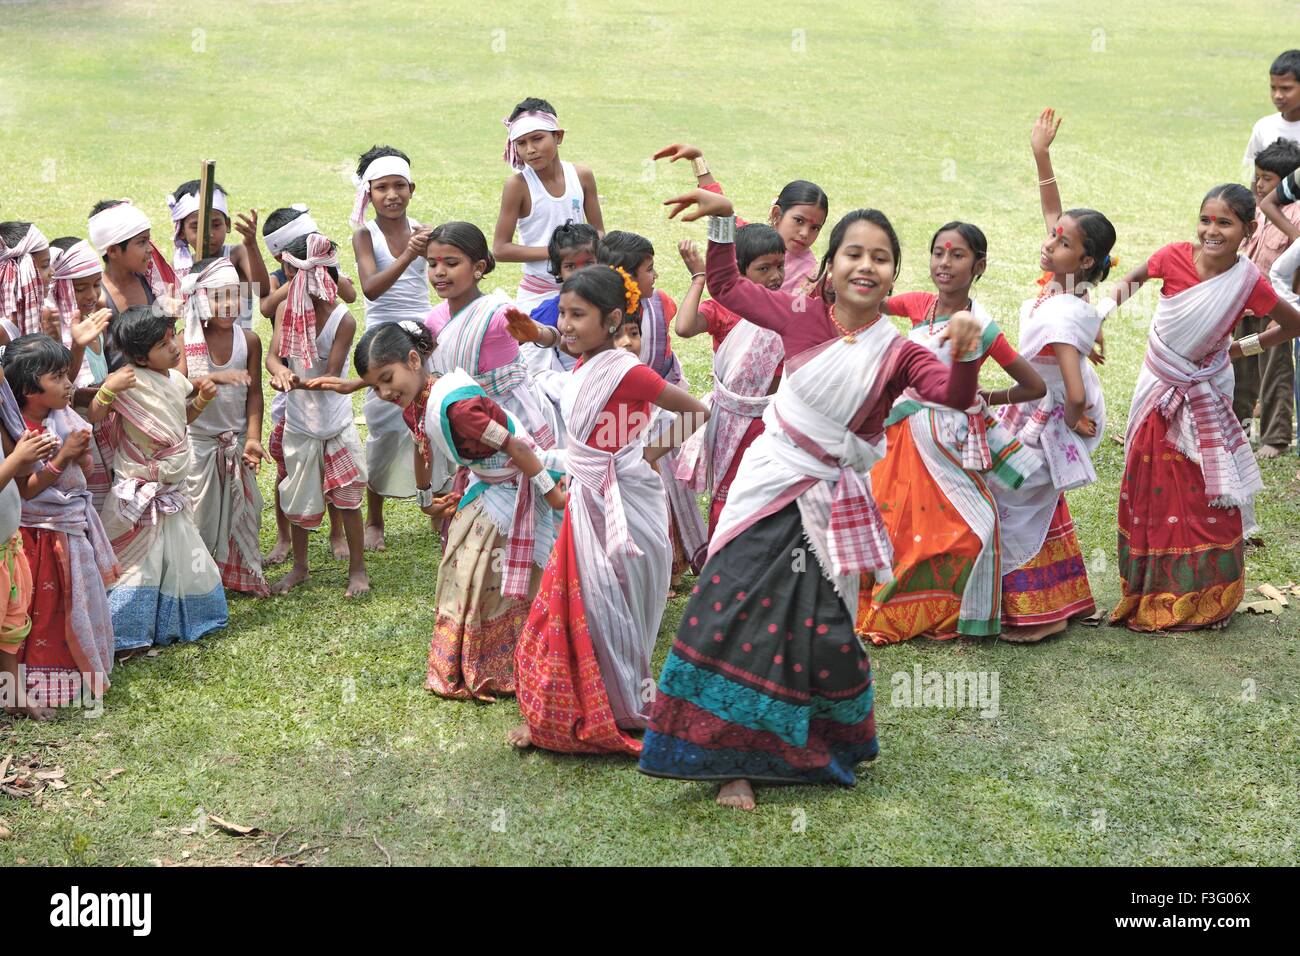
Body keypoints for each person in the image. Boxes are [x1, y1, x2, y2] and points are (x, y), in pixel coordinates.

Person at [637, 188, 981, 810]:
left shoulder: (899, 352)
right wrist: (721, 214)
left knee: (819, 629)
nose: (866, 266)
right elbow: (725, 285)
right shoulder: (799, 313)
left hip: (829, 501)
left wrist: (966, 354)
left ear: (892, 274)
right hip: (767, 485)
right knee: (726, 609)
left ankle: (818, 743)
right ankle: (730, 761)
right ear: (831, 265)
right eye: (854, 253)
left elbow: (953, 396)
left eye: (880, 257)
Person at [510, 265, 708, 754]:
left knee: (619, 599)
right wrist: (544, 331)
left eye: (579, 314)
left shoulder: (627, 370)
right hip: (587, 498)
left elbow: (696, 412)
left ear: (613, 317)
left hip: (627, 500)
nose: (569, 324)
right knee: (587, 601)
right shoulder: (586, 361)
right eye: (564, 314)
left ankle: (621, 705)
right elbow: (564, 338)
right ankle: (590, 699)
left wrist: (647, 454)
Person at [1106, 184, 1300, 631]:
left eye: (1225, 223)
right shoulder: (1172, 256)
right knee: (1150, 479)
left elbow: (1291, 323)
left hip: (1206, 392)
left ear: (1249, 230)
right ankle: (1149, 590)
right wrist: (1094, 321)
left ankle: (1207, 596)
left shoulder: (1248, 281)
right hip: (1158, 386)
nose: (1212, 231)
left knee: (1203, 487)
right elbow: (1127, 284)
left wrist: (1242, 348)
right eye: (1206, 220)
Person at [348, 321, 565, 700]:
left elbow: (516, 447)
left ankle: (516, 660)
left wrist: (551, 495)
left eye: (387, 378)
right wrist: (425, 499)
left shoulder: (458, 409)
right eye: (374, 387)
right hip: (488, 484)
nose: (383, 392)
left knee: (491, 574)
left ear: (413, 360)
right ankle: (487, 658)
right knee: (463, 570)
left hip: (518, 482)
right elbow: (421, 447)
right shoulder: (416, 404)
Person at [857, 222, 1045, 644]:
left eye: (957, 255)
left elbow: (1034, 386)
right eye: (938, 253)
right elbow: (872, 304)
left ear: (978, 265)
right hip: (902, 431)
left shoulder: (982, 326)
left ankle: (948, 607)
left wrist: (985, 397)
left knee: (974, 526)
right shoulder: (919, 305)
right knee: (893, 521)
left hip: (948, 437)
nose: (944, 263)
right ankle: (897, 598)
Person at [93, 307, 228, 651]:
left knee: (181, 558)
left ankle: (187, 619)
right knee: (139, 565)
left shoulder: (175, 379)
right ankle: (127, 630)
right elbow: (95, 415)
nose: (174, 347)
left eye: (172, 338)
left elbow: (183, 418)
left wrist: (203, 399)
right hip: (140, 491)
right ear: (140, 355)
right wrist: (109, 388)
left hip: (171, 490)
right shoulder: (127, 380)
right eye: (162, 344)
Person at [0, 341, 112, 718]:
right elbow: (27, 489)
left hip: (58, 529)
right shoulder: (18, 431)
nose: (69, 385)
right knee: (37, 614)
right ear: (30, 390)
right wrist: (62, 459)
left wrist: (80, 456)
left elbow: (88, 472)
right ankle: (31, 682)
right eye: (58, 377)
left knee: (55, 609)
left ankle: (63, 678)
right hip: (36, 533)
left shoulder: (59, 420)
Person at [265, 234, 369, 598]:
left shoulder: (344, 320)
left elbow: (332, 376)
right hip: (299, 420)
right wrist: (279, 371)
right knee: (298, 496)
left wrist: (294, 381)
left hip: (334, 421)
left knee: (348, 498)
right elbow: (273, 356)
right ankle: (301, 567)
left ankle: (358, 568)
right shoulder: (285, 310)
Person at [673, 227, 787, 536]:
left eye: (780, 265)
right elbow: (683, 327)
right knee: (730, 492)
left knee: (768, 494)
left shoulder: (788, 307)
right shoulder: (725, 309)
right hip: (734, 422)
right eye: (764, 268)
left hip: (774, 420)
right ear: (739, 271)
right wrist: (700, 279)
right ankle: (721, 564)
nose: (775, 276)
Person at [351, 146, 433, 551]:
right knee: (384, 426)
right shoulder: (365, 235)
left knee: (433, 421)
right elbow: (370, 286)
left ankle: (438, 505)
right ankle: (375, 517)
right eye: (381, 187)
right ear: (369, 193)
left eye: (399, 186)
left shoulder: (420, 229)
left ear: (412, 189)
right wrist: (410, 253)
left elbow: (433, 279)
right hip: (383, 338)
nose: (392, 195)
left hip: (422, 333)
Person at [178, 257, 268, 596]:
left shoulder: (250, 341)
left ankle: (240, 574)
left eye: (234, 294)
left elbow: (254, 394)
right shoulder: (185, 342)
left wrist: (254, 439)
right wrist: (211, 378)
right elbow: (180, 387)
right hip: (198, 446)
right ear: (199, 300)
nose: (228, 304)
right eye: (218, 297)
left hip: (237, 441)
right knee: (200, 517)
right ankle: (201, 585)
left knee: (246, 512)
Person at [653, 142, 829, 293]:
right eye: (799, 221)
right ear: (777, 214)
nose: (805, 233)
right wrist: (697, 159)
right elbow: (719, 204)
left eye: (815, 228)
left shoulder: (812, 277)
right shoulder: (751, 239)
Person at [492, 97, 604, 312]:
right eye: (521, 143)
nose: (530, 149)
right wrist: (559, 252)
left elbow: (599, 231)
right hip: (538, 295)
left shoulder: (582, 176)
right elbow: (500, 249)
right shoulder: (518, 186)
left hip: (583, 287)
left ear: (558, 136)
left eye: (537, 139)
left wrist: (585, 255)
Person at [1243, 49, 1300, 168]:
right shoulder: (1264, 127)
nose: (1277, 95)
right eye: (1273, 88)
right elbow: (1257, 178)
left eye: (1286, 89)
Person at [0, 221, 51, 340]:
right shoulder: (3, 334)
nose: (52, 272)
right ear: (21, 273)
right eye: (44, 265)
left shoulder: (43, 319)